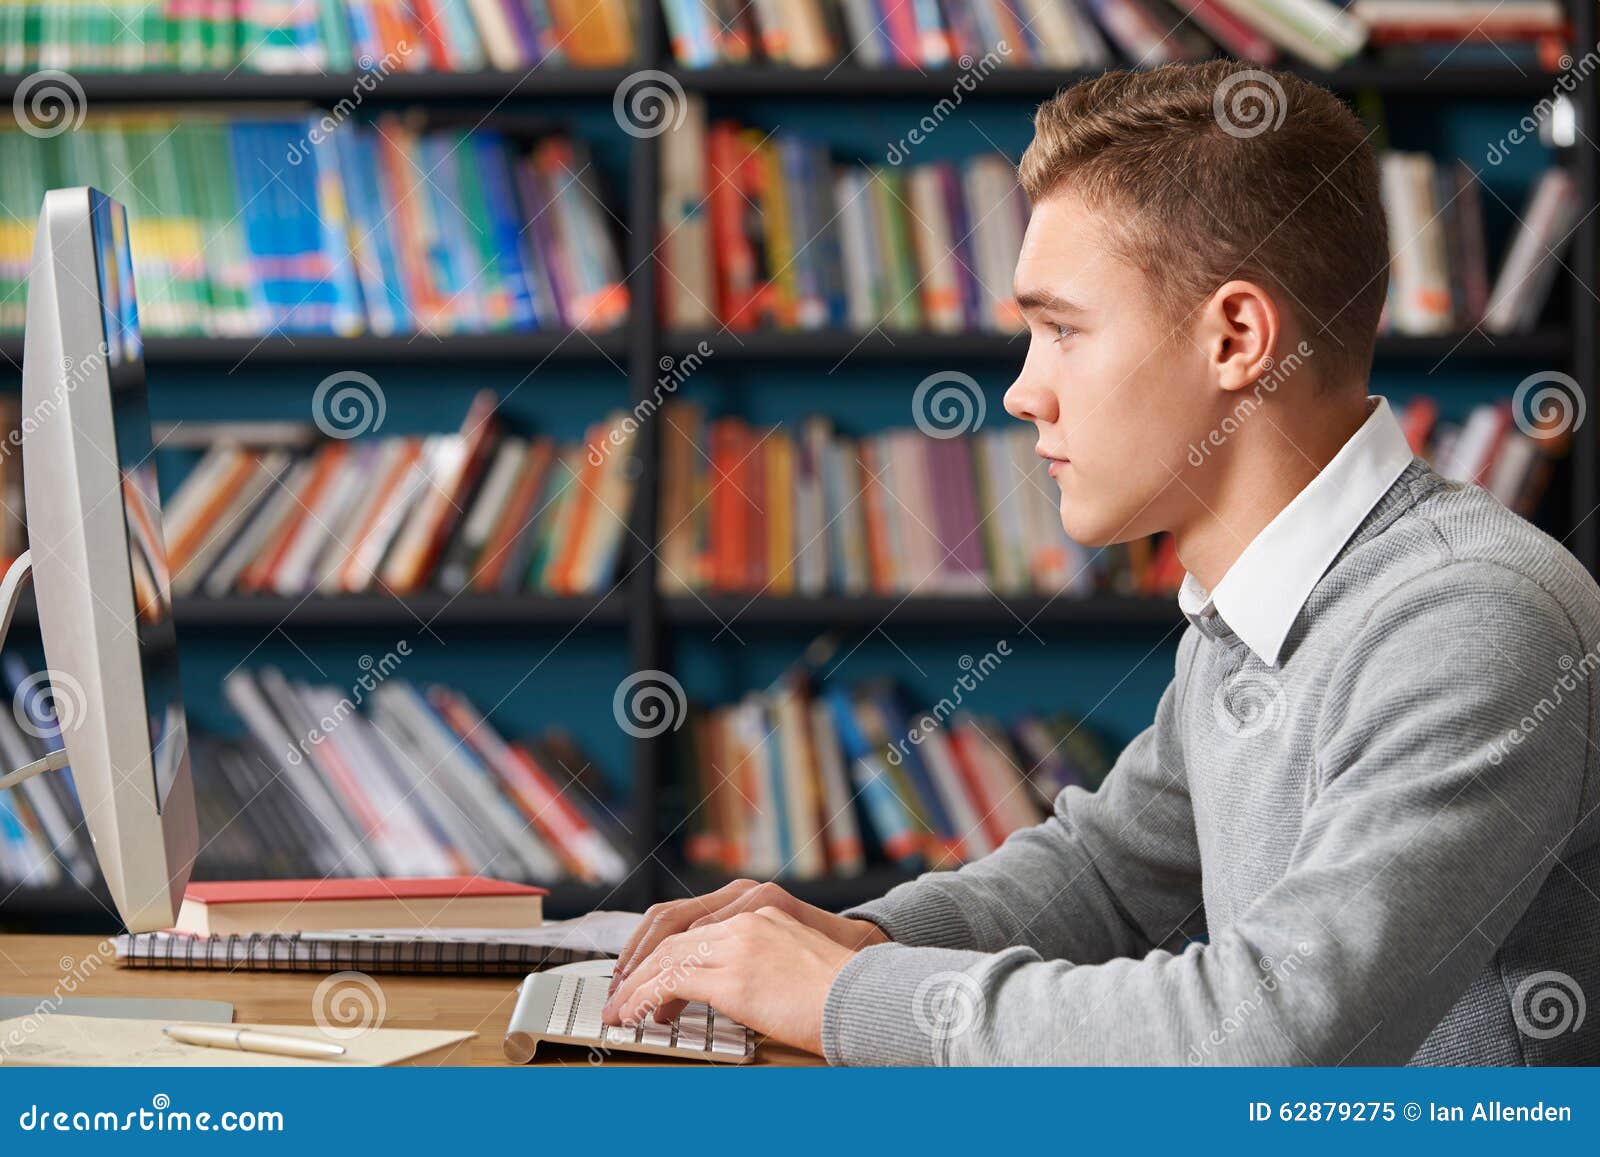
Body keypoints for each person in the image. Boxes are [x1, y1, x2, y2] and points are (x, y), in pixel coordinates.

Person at [602, 60, 1600, 1065]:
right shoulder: (1254, 603)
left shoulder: (1472, 621)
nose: (1023, 392)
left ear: (1237, 338)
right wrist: (861, 938)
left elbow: (1268, 1030)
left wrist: (845, 996)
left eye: (1061, 330)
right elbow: (1109, 876)